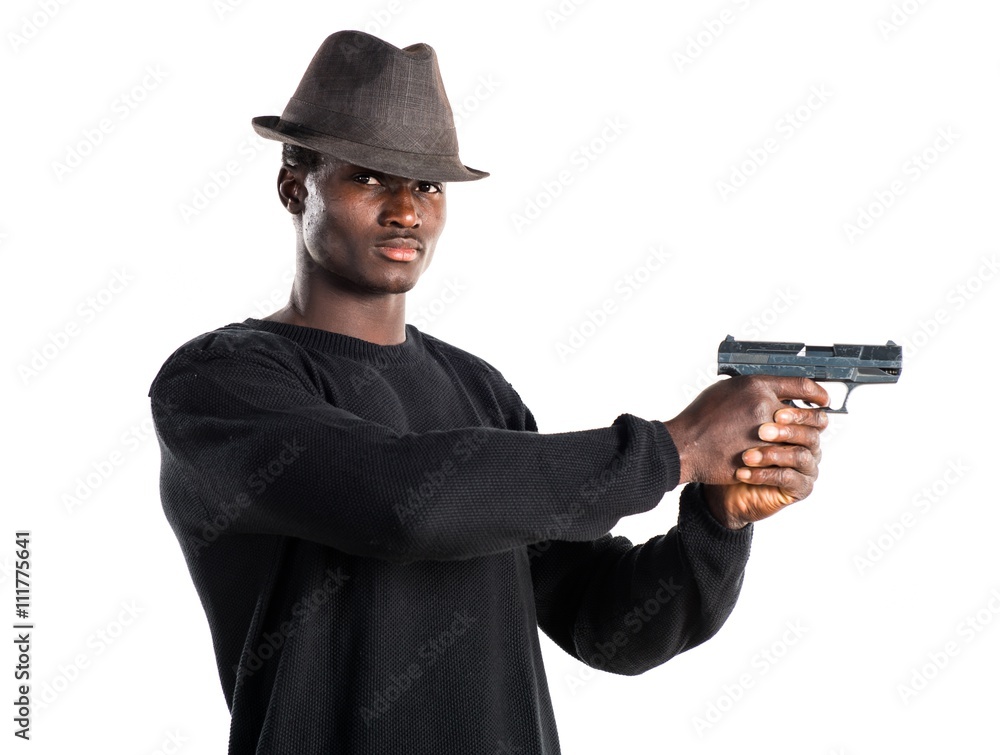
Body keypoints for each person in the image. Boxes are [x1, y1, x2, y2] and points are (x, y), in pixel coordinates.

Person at [148, 30, 828, 755]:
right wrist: (676, 448)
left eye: (428, 186)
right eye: (370, 177)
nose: (406, 210)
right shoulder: (220, 383)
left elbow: (610, 624)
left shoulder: (479, 390)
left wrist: (716, 522)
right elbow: (402, 503)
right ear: (294, 185)